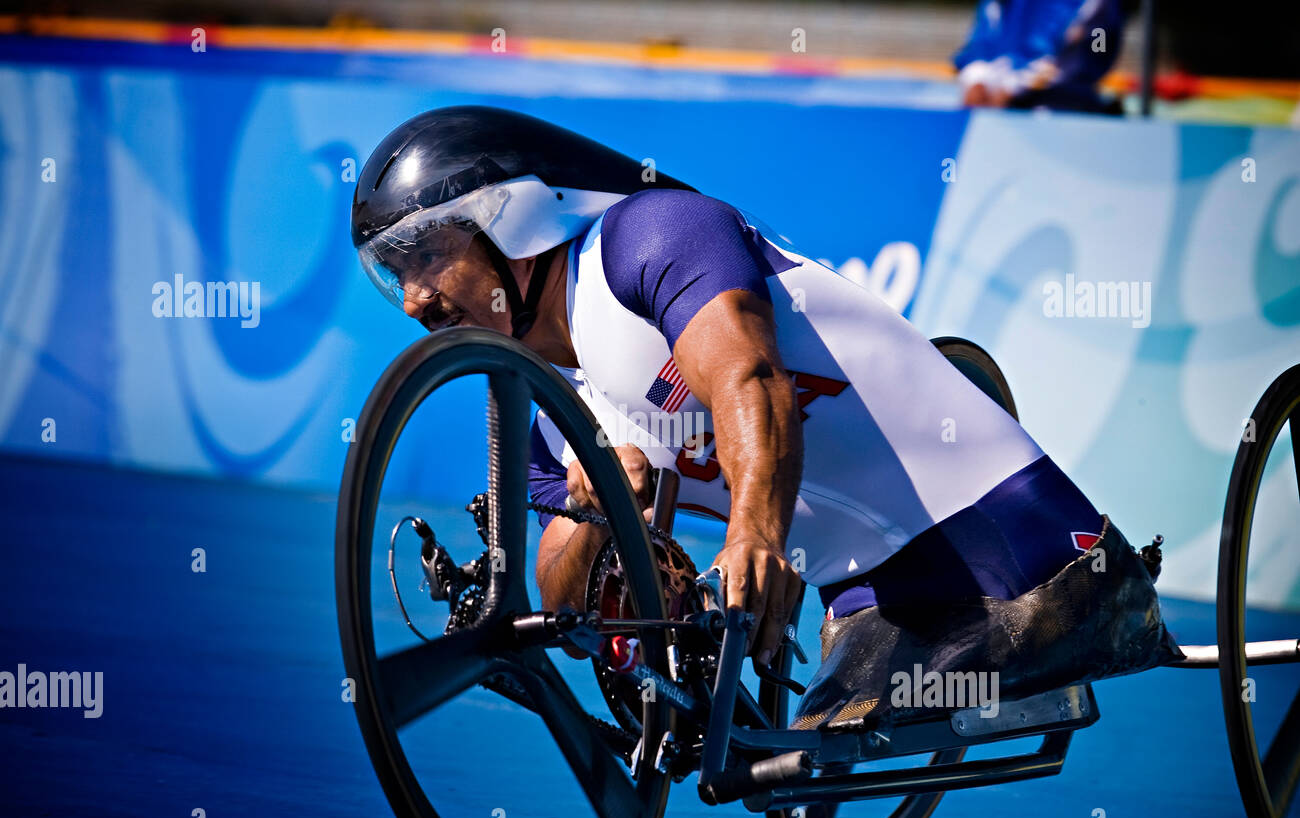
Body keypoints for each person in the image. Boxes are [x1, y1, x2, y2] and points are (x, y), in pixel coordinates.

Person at [351, 106, 1180, 729]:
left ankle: (1101, 584)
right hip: (870, 606)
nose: (415, 299)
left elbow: (751, 378)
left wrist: (754, 535)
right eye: (397, 276)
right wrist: (590, 507)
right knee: (793, 752)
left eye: (427, 255)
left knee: (932, 684)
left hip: (1013, 541)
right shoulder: (554, 418)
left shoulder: (649, 235)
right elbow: (560, 595)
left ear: (511, 216)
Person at [954, 0, 1126, 115]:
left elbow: (1092, 51)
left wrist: (1013, 87)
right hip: (989, 109)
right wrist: (977, 79)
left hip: (1059, 112)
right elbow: (980, 41)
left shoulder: (1098, 6)